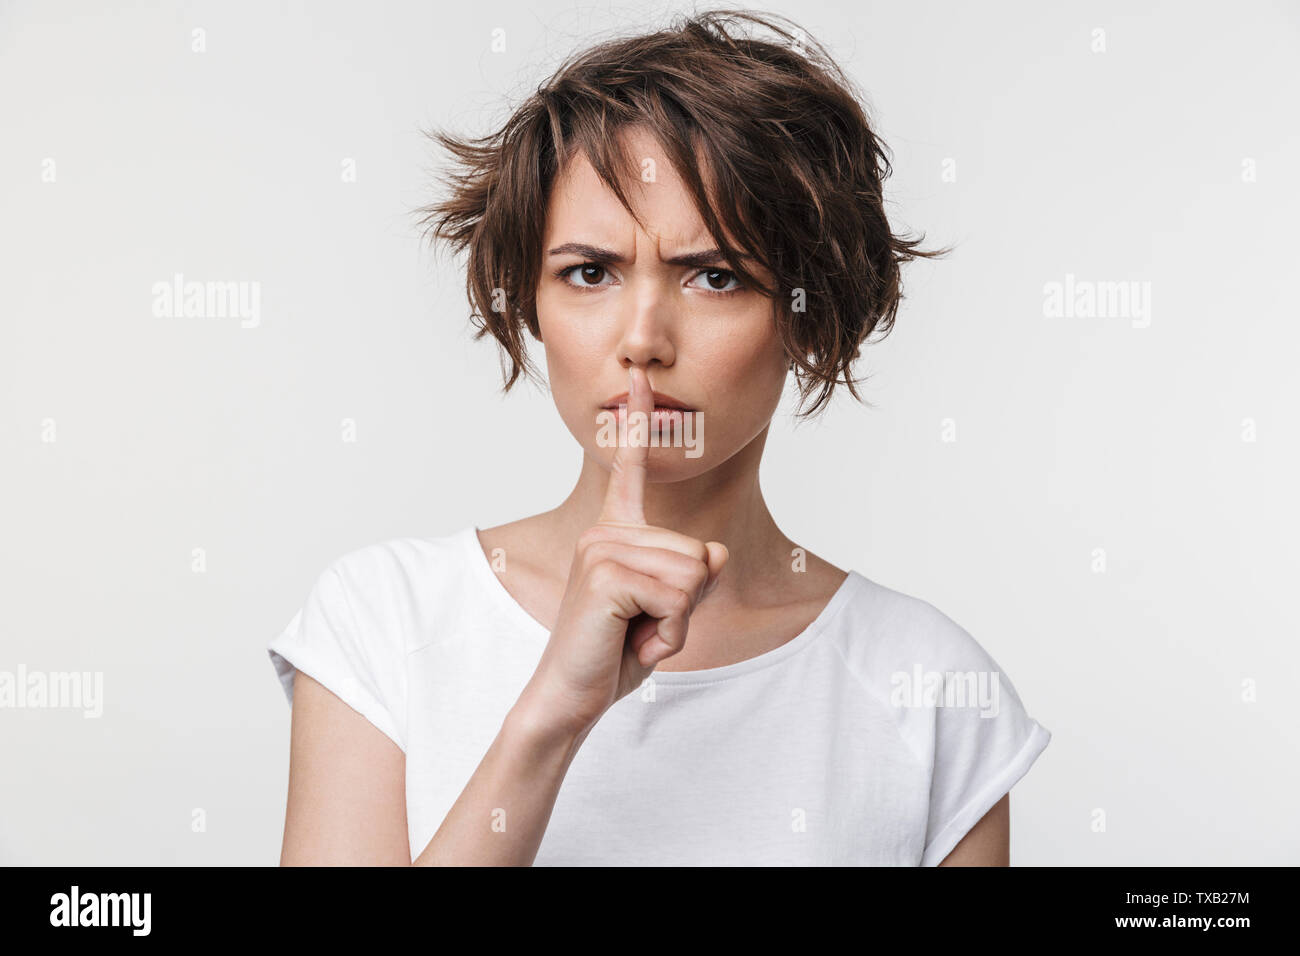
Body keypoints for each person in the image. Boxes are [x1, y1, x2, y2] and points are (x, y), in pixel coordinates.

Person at [268, 9, 1050, 866]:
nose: (643, 337)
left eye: (716, 277)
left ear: (808, 318)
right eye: (589, 273)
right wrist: (552, 713)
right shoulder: (383, 620)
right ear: (530, 301)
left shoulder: (928, 686)